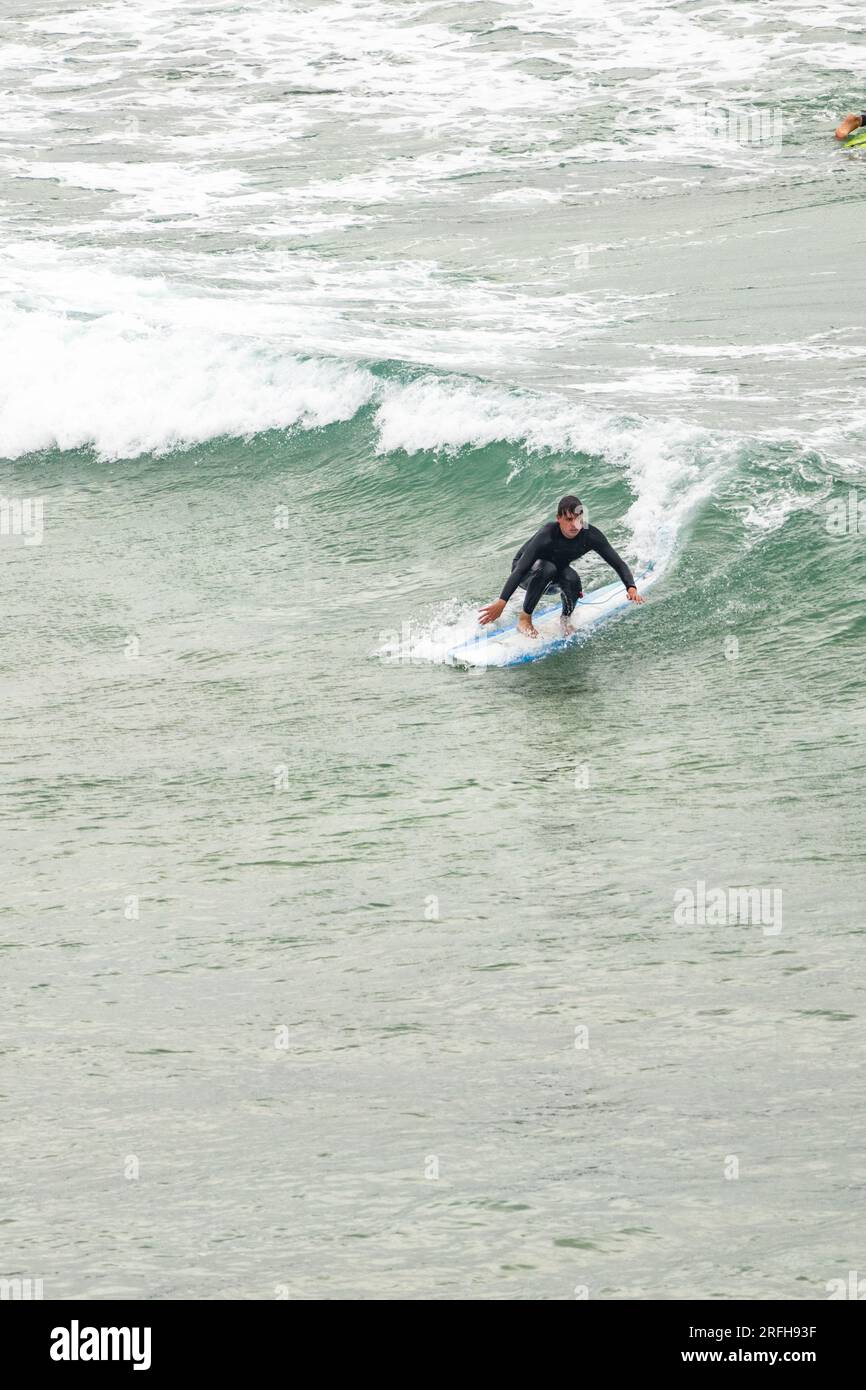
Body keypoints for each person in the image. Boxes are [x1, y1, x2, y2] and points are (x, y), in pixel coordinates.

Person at [478, 495, 643, 639]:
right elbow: (520, 569)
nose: (574, 525)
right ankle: (524, 619)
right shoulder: (547, 535)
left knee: (573, 580)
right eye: (569, 520)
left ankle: (565, 620)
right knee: (547, 568)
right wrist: (501, 603)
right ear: (559, 519)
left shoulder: (590, 535)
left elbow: (618, 563)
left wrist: (631, 587)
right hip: (528, 573)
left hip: (555, 572)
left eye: (578, 519)